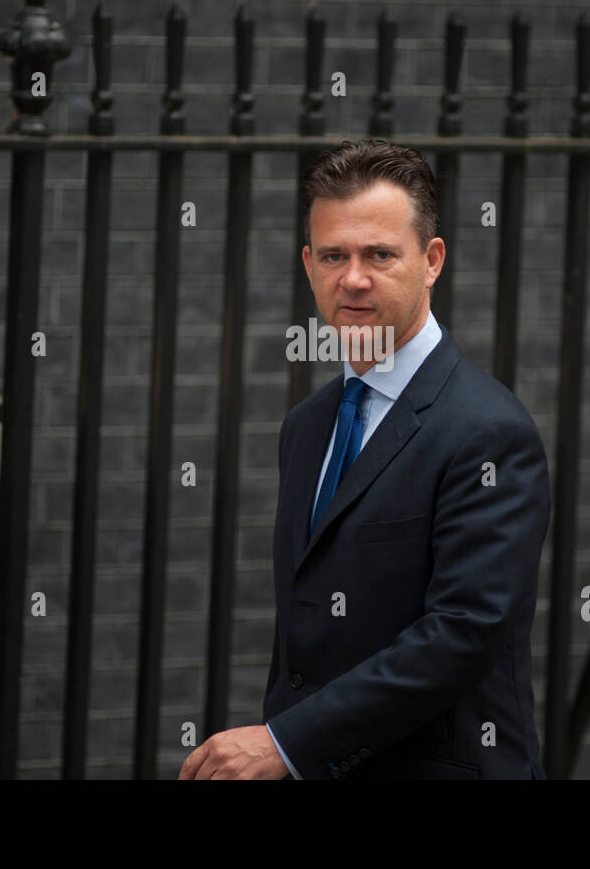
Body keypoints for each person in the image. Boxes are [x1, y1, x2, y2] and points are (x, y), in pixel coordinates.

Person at [179, 138, 550, 780]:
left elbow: (461, 635)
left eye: (380, 254)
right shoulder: (307, 426)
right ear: (308, 264)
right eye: (333, 255)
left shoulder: (487, 431)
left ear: (432, 261)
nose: (353, 278)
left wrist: (286, 744)